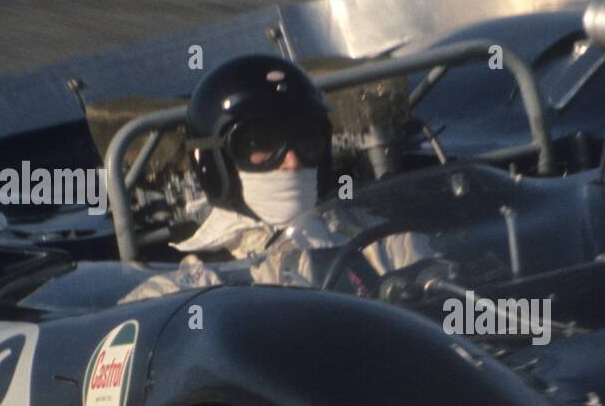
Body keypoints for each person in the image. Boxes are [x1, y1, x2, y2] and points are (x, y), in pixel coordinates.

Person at [121, 54, 430, 302]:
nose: (292, 161)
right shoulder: (188, 289)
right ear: (216, 162)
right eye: (260, 144)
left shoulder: (383, 248)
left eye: (306, 139)